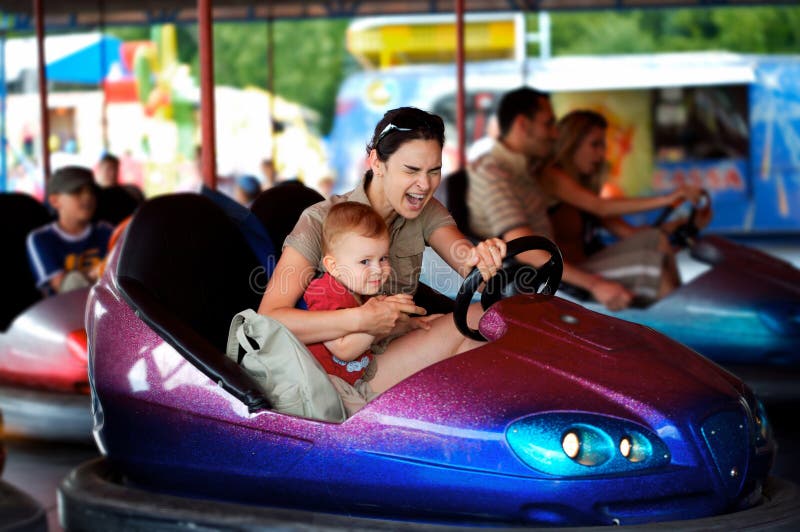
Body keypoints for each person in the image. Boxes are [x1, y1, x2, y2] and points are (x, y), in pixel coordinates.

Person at [258, 106, 506, 398]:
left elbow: (466, 260)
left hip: (387, 348)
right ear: (376, 162)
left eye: (434, 171)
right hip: (338, 375)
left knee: (491, 327)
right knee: (476, 322)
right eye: (411, 170)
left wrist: (484, 260)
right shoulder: (320, 221)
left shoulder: (424, 211)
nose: (424, 185)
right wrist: (362, 320)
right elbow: (271, 319)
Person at [465, 87, 633, 311]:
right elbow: (525, 248)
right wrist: (595, 284)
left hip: (550, 275)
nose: (555, 134)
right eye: (548, 124)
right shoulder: (492, 173)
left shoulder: (528, 170)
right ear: (523, 125)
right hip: (531, 285)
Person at [541, 110, 708, 303]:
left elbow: (630, 234)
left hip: (591, 263)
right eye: (595, 145)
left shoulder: (584, 189)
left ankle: (679, 311)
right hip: (571, 279)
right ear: (571, 144)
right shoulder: (553, 177)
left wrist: (686, 225)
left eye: (602, 146)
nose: (602, 154)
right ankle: (678, 317)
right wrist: (668, 198)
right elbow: (600, 207)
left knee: (657, 241)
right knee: (653, 271)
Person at [303, 201, 400, 415]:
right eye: (365, 261)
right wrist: (378, 318)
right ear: (333, 266)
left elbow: (376, 333)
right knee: (369, 425)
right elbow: (343, 349)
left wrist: (408, 324)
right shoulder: (324, 292)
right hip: (329, 386)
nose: (377, 270)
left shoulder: (361, 290)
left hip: (353, 380)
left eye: (383, 258)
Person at [26, 166, 113, 295]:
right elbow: (65, 288)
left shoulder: (106, 230)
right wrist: (100, 270)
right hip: (62, 311)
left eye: (91, 192)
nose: (87, 196)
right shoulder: (41, 238)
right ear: (55, 201)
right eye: (77, 191)